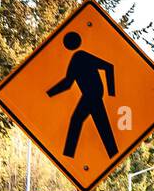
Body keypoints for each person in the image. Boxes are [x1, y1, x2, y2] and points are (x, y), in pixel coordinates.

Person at [46, 31, 118, 159]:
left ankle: (68, 155)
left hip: (93, 95)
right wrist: (49, 93)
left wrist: (111, 93)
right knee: (100, 126)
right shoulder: (77, 58)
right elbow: (68, 83)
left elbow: (109, 67)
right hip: (91, 95)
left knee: (78, 121)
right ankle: (112, 153)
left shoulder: (81, 56)